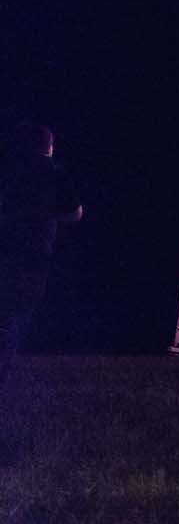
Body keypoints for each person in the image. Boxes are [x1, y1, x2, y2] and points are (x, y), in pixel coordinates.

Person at [0, 123, 83, 391]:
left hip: (9, 247)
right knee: (22, 309)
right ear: (50, 147)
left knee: (7, 305)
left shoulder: (16, 173)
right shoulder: (55, 174)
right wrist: (48, 216)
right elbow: (76, 212)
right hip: (38, 250)